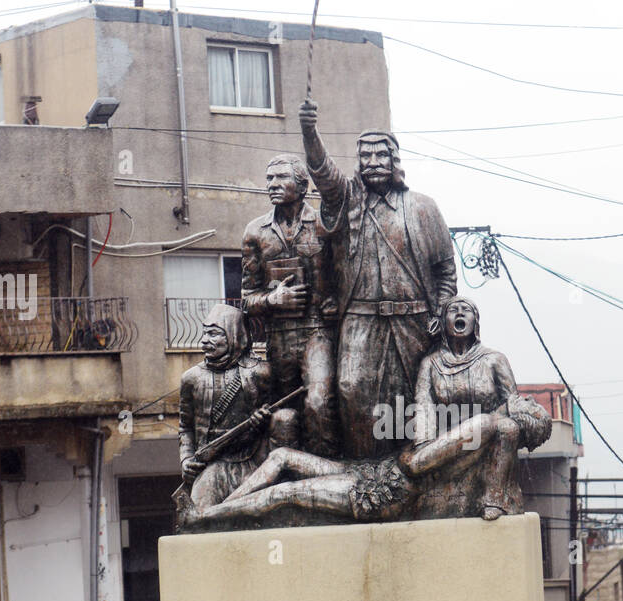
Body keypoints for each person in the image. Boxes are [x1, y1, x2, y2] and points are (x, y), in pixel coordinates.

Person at [299, 97, 457, 459]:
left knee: (408, 399)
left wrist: (442, 313)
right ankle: (363, 467)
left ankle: (410, 469)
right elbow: (323, 173)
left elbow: (445, 271)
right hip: (360, 318)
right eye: (365, 157)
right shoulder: (348, 200)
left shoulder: (422, 207)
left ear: (394, 160)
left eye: (380, 156)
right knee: (353, 389)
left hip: (414, 319)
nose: (372, 163)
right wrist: (310, 132)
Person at [191, 393, 553, 528]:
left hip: (386, 489)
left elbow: (419, 463)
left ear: (525, 418)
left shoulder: (485, 423)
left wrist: (416, 446)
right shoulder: (493, 432)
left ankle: (207, 516)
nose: (527, 399)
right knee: (283, 457)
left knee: (285, 492)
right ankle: (221, 510)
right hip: (383, 473)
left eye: (533, 406)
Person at [241, 153, 340, 456]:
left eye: (281, 177)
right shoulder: (255, 232)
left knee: (319, 401)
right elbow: (246, 298)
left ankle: (323, 471)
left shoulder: (324, 224)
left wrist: (337, 302)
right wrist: (271, 300)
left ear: (302, 184)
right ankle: (289, 476)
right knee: (285, 413)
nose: (272, 184)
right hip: (278, 335)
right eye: (269, 178)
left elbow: (347, 276)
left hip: (317, 331)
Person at [176, 304, 296, 526]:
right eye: (204, 333)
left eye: (214, 333)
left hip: (254, 460)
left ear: (233, 335)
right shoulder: (191, 378)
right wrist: (186, 460)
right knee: (199, 524)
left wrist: (263, 421)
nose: (205, 340)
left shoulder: (260, 372)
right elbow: (185, 428)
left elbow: (280, 417)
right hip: (214, 464)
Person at [411, 296, 521, 519]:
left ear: (475, 322)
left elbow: (513, 404)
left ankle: (493, 499)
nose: (460, 314)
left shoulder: (494, 360)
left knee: (509, 427)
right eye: (453, 310)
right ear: (444, 323)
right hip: (447, 443)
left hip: (487, 438)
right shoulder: (430, 364)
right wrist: (424, 445)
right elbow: (424, 407)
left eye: (466, 310)